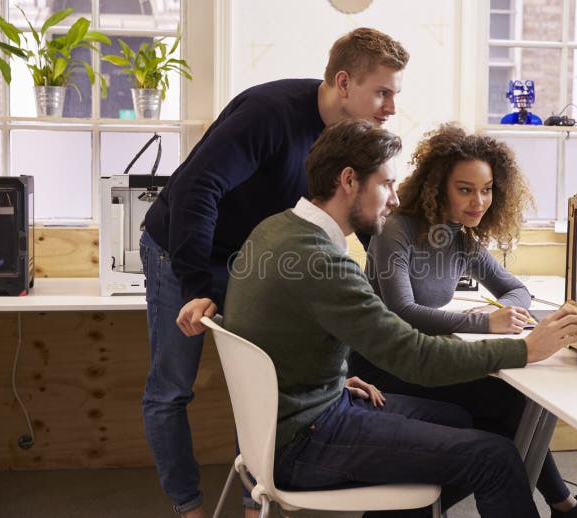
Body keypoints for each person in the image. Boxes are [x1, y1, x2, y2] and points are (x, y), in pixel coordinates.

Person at [224, 118, 577, 517]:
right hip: (306, 438)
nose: (395, 198)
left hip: (293, 418)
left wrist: (337, 376)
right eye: (386, 184)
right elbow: (416, 357)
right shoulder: (325, 263)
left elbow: (285, 328)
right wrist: (523, 350)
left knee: (459, 418)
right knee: (495, 457)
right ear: (348, 181)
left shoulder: (273, 230)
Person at [139, 28, 409, 517]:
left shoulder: (352, 137)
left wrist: (392, 278)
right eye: (383, 92)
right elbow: (198, 190)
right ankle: (188, 507)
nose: (390, 106)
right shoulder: (270, 113)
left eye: (394, 95)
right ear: (344, 83)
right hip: (181, 250)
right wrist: (198, 288)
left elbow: (361, 212)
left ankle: (253, 502)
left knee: (264, 386)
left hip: (251, 259)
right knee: (171, 388)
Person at [349, 123, 577, 517]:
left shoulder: (461, 239)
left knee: (506, 413)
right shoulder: (395, 230)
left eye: (487, 189)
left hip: (425, 358)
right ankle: (565, 506)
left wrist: (500, 311)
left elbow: (516, 289)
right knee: (509, 405)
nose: (478, 201)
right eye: (465, 189)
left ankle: (559, 505)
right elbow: (401, 311)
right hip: (384, 366)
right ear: (437, 185)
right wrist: (484, 325)